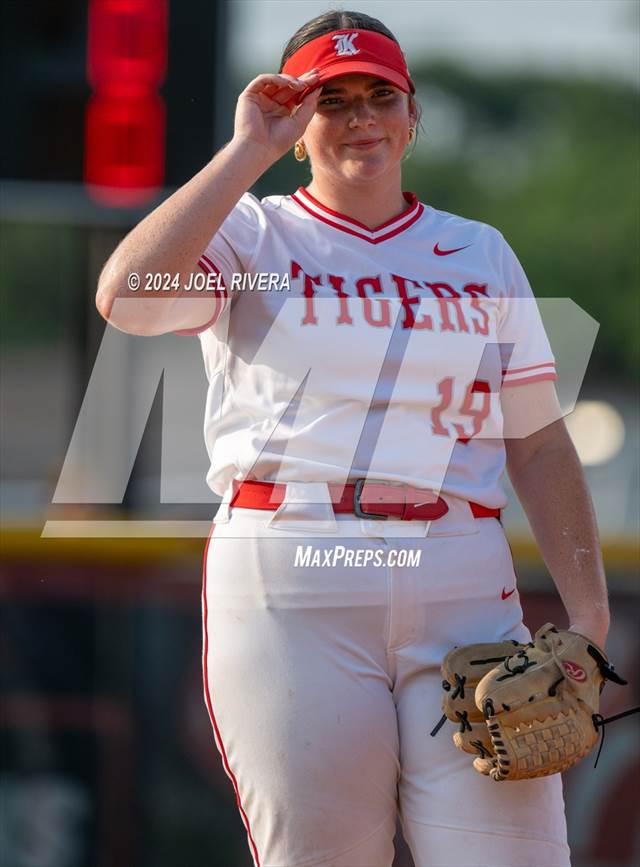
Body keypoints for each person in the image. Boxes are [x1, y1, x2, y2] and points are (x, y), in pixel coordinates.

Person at [95, 9, 611, 867]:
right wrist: (247, 151)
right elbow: (129, 297)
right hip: (295, 568)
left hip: (457, 574)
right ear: (299, 125)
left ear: (414, 116)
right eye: (332, 101)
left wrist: (588, 616)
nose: (361, 117)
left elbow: (541, 444)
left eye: (381, 95)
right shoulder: (255, 236)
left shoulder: (479, 251)